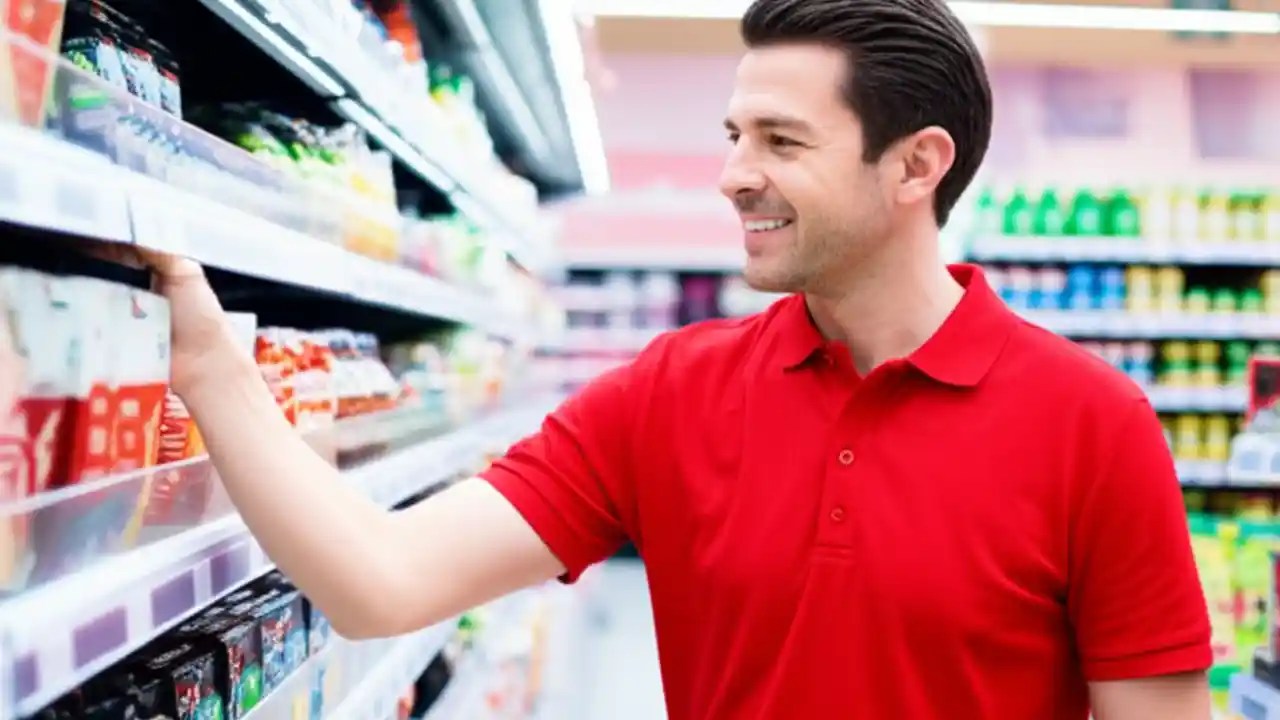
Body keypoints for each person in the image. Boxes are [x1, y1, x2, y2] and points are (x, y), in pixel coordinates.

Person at [147, 0, 1213, 717]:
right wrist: (209, 362)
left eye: (781, 142)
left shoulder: (1091, 424)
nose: (731, 176)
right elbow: (382, 583)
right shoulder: (670, 394)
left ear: (914, 167)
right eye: (733, 134)